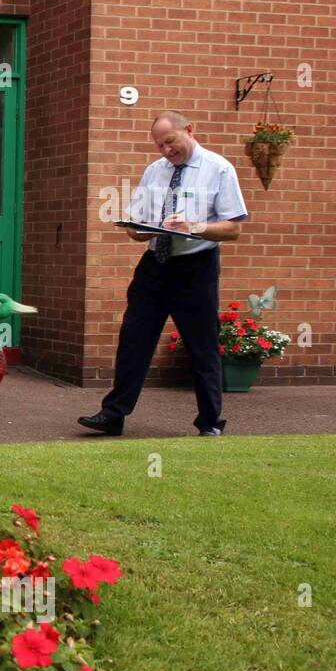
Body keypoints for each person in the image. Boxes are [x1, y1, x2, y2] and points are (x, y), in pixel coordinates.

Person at [79, 111, 248, 438]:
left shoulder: (219, 169)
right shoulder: (154, 172)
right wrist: (137, 230)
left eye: (170, 142)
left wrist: (193, 227)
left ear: (190, 130)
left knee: (203, 345)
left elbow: (233, 228)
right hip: (155, 265)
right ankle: (113, 415)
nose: (166, 151)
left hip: (196, 267)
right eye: (159, 145)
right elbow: (137, 223)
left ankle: (210, 422)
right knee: (133, 339)